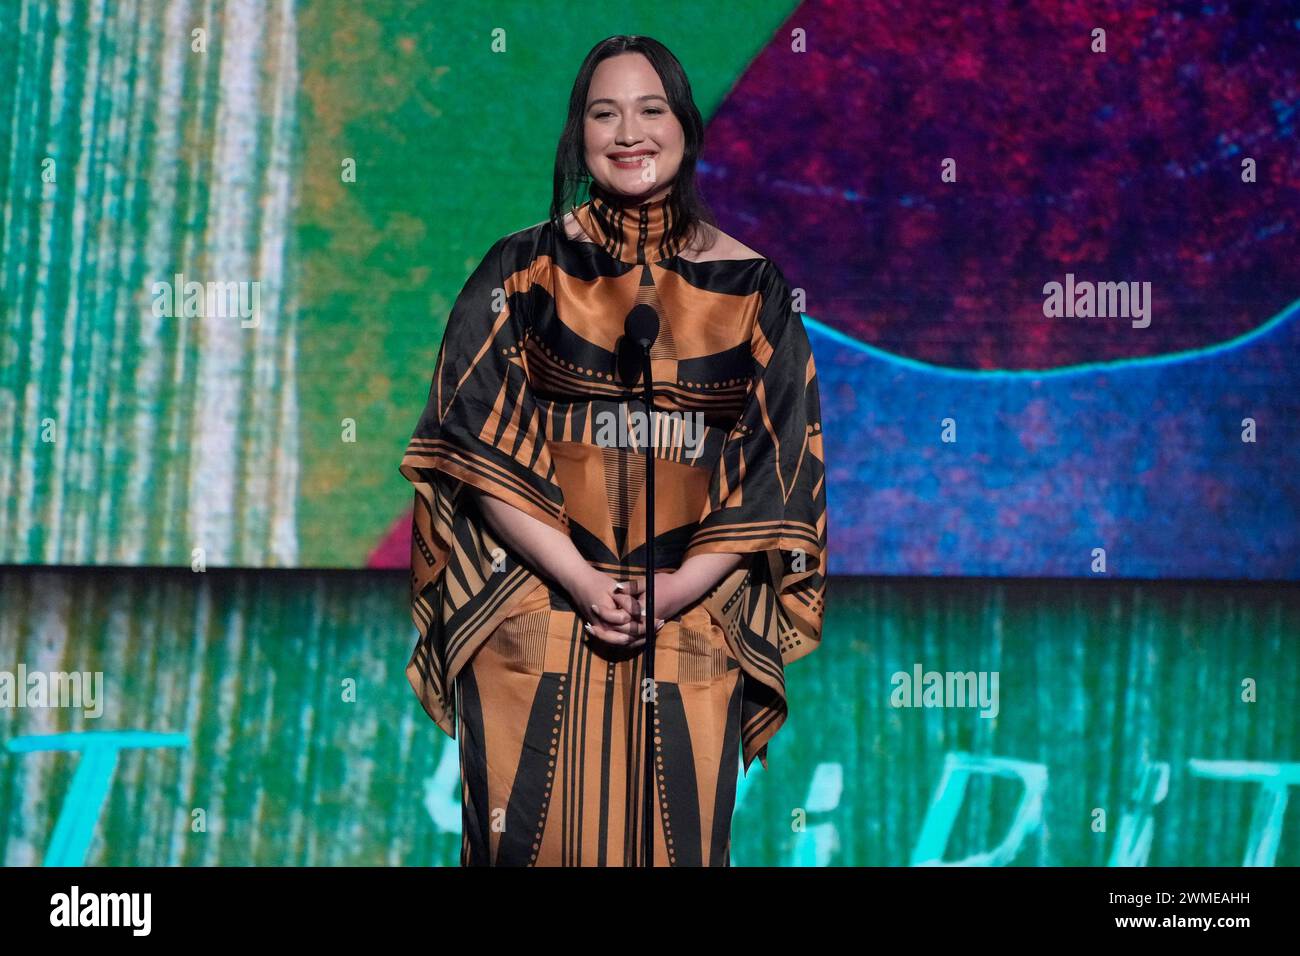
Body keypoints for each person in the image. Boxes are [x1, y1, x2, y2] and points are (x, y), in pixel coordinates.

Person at [399, 34, 827, 866]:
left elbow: (774, 484)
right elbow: (475, 447)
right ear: (578, 135)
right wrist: (588, 584)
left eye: (649, 109)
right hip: (535, 619)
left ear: (686, 128)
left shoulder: (754, 290)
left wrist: (669, 595)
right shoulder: (521, 270)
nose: (628, 132)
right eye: (605, 113)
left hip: (690, 627)